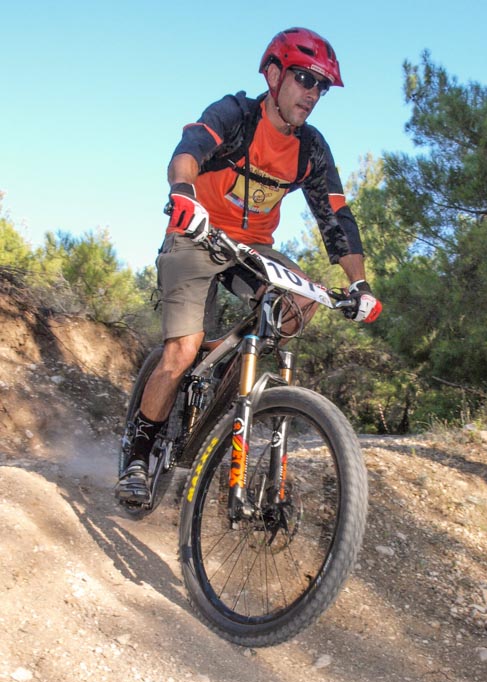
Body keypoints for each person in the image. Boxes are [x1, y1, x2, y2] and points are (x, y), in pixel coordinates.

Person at [116, 27, 382, 505]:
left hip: (252, 248)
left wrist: (359, 284)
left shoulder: (310, 148)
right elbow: (189, 151)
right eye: (305, 79)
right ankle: (137, 454)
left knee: (303, 300)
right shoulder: (236, 115)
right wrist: (183, 194)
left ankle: (226, 384)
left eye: (321, 86)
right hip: (196, 232)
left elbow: (336, 217)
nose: (313, 93)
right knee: (182, 350)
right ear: (274, 74)